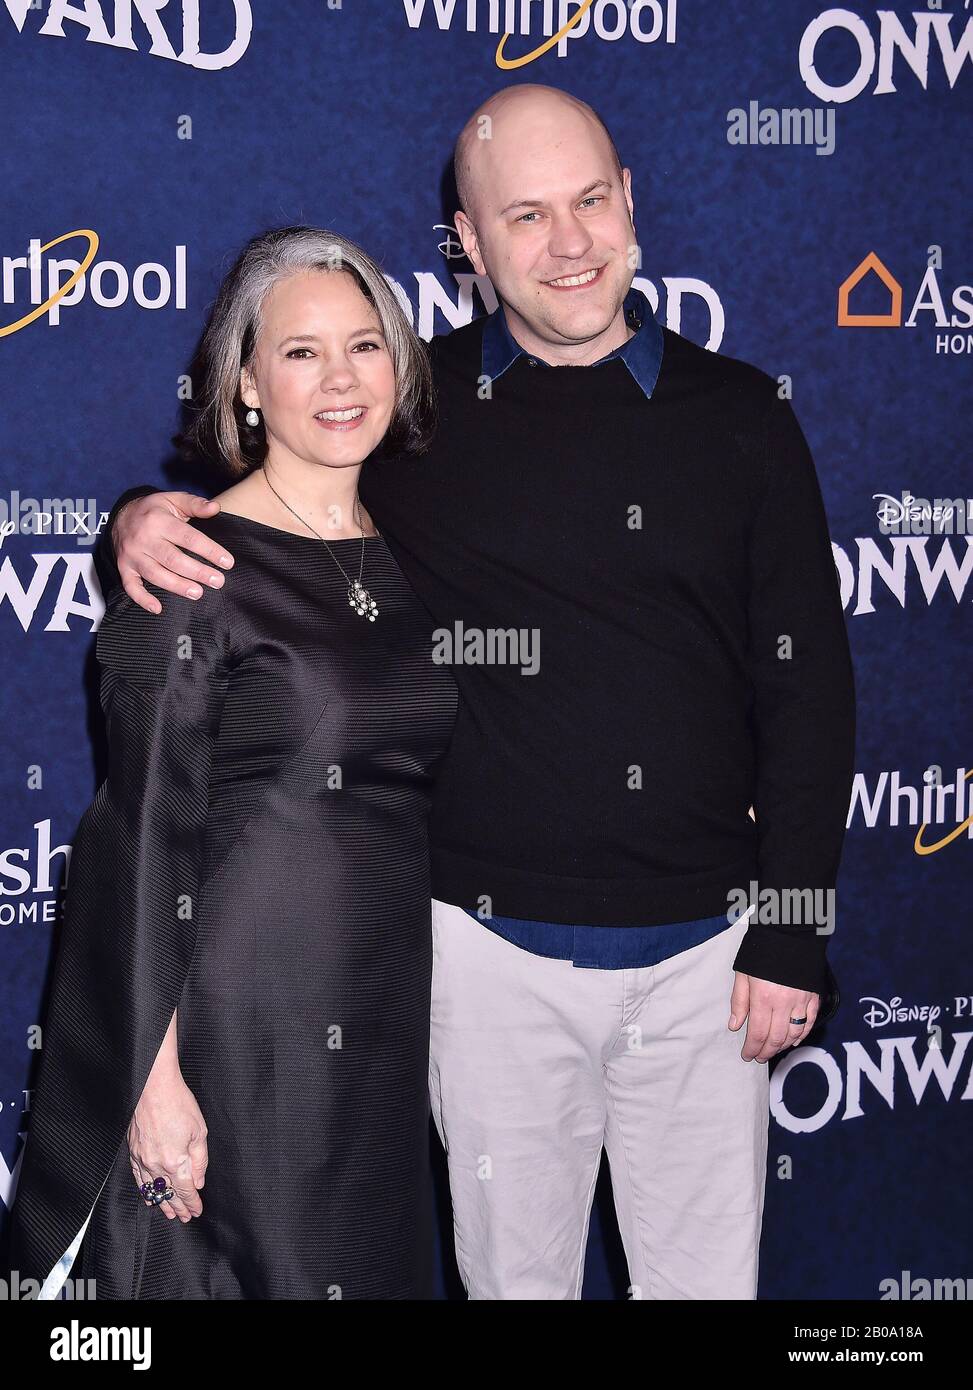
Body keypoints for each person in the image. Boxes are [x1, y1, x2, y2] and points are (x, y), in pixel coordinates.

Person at [93, 84, 856, 1300]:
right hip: (481, 962)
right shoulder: (406, 413)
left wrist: (791, 930)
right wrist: (137, 521)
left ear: (632, 207)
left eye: (592, 203)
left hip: (711, 966)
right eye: (527, 216)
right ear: (470, 245)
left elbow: (811, 694)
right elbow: (276, 504)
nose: (569, 244)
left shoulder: (745, 417)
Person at [7, 226, 458, 1300]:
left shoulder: (417, 553)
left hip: (381, 1014)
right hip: (236, 1028)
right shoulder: (193, 573)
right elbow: (135, 837)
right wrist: (151, 1082)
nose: (340, 378)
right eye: (300, 353)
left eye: (365, 344)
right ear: (245, 381)